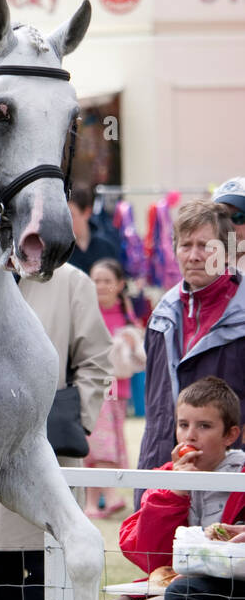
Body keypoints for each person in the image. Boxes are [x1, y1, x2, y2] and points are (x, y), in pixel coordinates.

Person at [0, 262, 112, 600]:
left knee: (48, 583)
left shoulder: (72, 282)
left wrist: (71, 424)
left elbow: (96, 361)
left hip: (46, 464)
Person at [100, 377, 245, 600]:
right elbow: (147, 553)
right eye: (183, 425)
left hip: (217, 591)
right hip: (168, 585)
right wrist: (174, 493)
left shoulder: (239, 477)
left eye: (204, 426)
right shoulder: (167, 476)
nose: (189, 437)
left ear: (230, 435)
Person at [137, 197, 245, 481]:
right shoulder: (161, 319)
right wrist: (149, 479)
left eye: (206, 246)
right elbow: (156, 411)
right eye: (186, 245)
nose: (194, 256)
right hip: (164, 469)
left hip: (233, 480)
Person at [84, 258, 146, 518]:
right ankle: (97, 500)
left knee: (105, 442)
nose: (100, 286)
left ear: (120, 284)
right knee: (93, 444)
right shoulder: (85, 312)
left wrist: (128, 341)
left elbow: (136, 356)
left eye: (107, 281)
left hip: (115, 391)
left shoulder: (126, 316)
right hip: (90, 388)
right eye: (96, 280)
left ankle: (102, 498)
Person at [67, 187, 122, 275]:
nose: (65, 221)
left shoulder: (107, 246)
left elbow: (118, 281)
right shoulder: (59, 251)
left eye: (70, 215)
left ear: (87, 212)